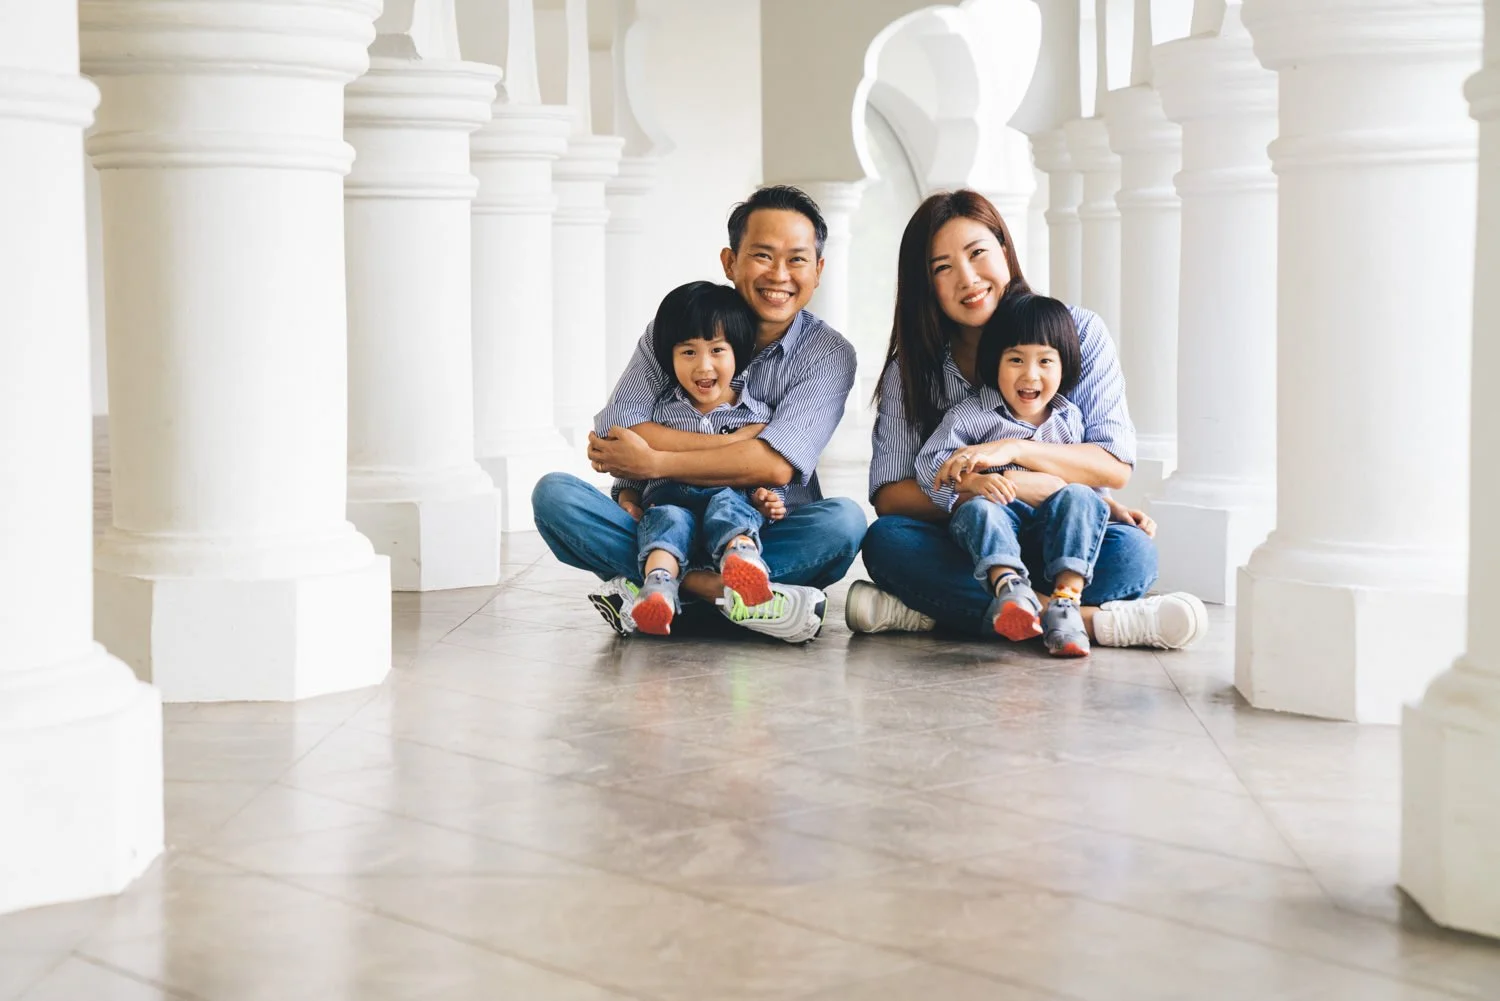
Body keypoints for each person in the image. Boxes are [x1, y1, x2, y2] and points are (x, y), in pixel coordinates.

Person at [848, 189, 1207, 650]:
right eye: (943, 268)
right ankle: (1088, 621)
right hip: (973, 540)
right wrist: (1000, 487)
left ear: (1004, 249)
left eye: (978, 254)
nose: (968, 278)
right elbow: (891, 495)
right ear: (925, 284)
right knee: (888, 542)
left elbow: (1113, 465)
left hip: (1061, 541)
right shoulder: (914, 368)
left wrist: (1015, 454)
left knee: (1134, 553)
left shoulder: (1077, 331)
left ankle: (935, 613)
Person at [532, 185, 867, 643]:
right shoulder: (675, 327)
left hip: (761, 532)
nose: (780, 275)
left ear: (819, 269)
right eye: (763, 256)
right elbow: (619, 429)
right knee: (555, 496)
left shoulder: (827, 353)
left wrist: (654, 461)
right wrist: (742, 443)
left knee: (844, 522)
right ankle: (722, 595)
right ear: (730, 262)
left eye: (797, 259)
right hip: (661, 517)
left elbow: (775, 464)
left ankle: (662, 587)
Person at [919, 290, 1148, 657]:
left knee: (1132, 547)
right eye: (1015, 360)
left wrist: (1112, 509)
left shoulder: (1069, 419)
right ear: (995, 363)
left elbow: (1082, 487)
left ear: (1065, 367)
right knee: (976, 510)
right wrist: (975, 482)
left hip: (1051, 536)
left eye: (1045, 361)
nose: (1030, 374)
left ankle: (1065, 602)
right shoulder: (969, 416)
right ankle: (1011, 592)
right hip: (995, 530)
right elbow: (930, 464)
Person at [619, 281, 787, 637]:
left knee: (730, 506)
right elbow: (633, 468)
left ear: (738, 353)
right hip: (669, 502)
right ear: (670, 358)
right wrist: (628, 498)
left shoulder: (755, 417)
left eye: (717, 350)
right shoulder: (659, 415)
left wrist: (768, 500)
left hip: (726, 507)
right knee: (665, 522)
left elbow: (764, 477)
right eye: (688, 352)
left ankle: (741, 562)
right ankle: (658, 590)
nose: (703, 366)